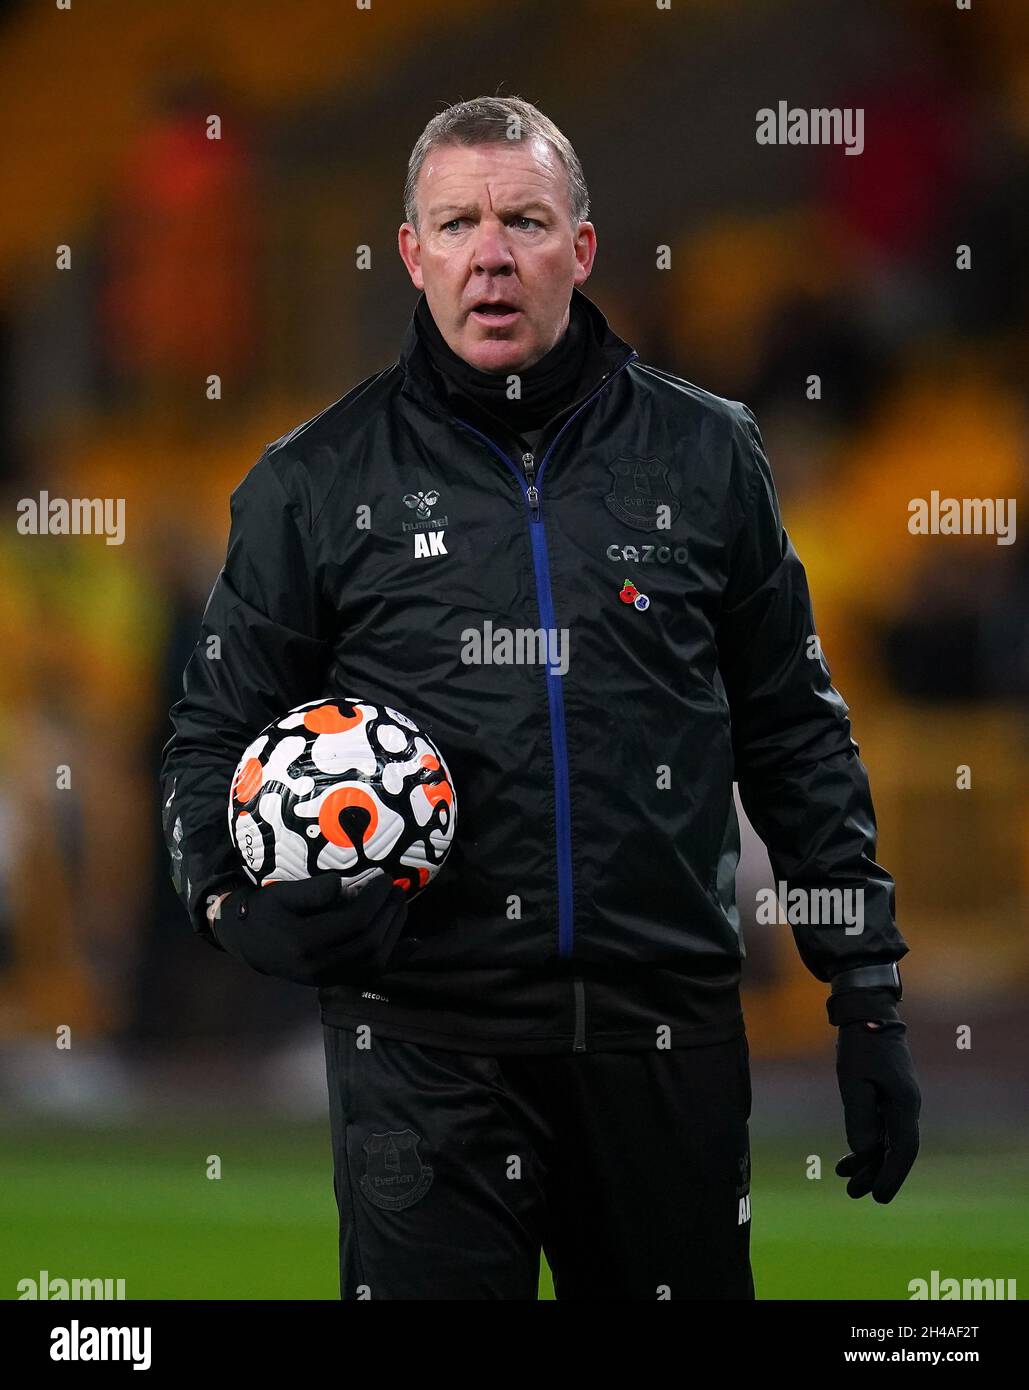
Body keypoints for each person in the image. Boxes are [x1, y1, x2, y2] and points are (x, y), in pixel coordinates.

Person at [159, 95, 921, 1301]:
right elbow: (211, 732)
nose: (492, 255)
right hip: (425, 1051)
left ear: (583, 246)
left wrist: (866, 994)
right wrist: (222, 899)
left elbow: (793, 732)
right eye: (457, 224)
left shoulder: (707, 454)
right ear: (413, 255)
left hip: (661, 1041)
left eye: (524, 219)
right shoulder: (314, 480)